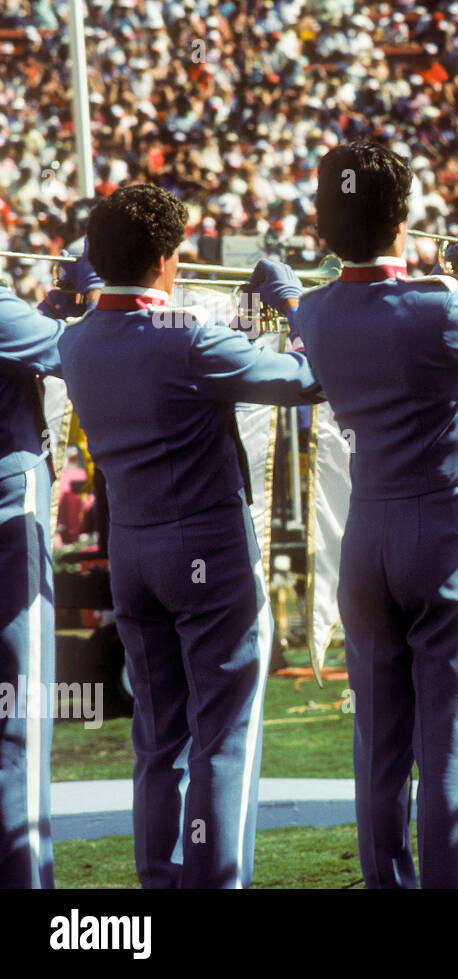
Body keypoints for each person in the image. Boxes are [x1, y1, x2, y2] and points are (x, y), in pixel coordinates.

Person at [57, 184, 324, 888]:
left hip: (135, 553)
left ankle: (160, 882)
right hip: (206, 546)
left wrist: (240, 313)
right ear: (169, 261)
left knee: (158, 740)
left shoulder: (77, 341)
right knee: (224, 740)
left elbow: (172, 352)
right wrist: (295, 306)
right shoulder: (186, 337)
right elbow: (307, 375)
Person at [293, 140, 458, 889]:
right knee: (452, 743)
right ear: (403, 222)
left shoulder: (314, 307)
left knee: (379, 747)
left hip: (367, 534)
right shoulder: (436, 303)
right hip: (442, 529)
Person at [0, 247, 100, 889]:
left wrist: (55, 306)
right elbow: (80, 357)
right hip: (9, 506)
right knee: (21, 724)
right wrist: (97, 297)